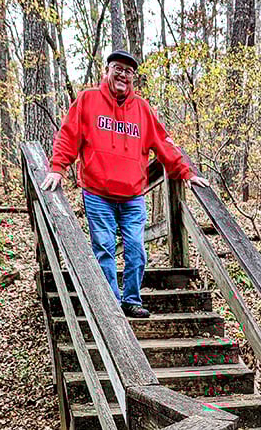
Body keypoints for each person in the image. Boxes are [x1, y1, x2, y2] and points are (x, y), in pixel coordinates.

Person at [41, 49, 207, 318]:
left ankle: (131, 299)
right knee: (104, 247)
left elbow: (163, 143)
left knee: (136, 249)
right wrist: (58, 167)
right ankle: (110, 304)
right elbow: (68, 136)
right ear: (106, 71)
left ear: (133, 78)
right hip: (97, 193)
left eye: (128, 71)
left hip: (132, 196)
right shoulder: (87, 100)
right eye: (117, 68)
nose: (122, 74)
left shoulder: (142, 109)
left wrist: (185, 172)